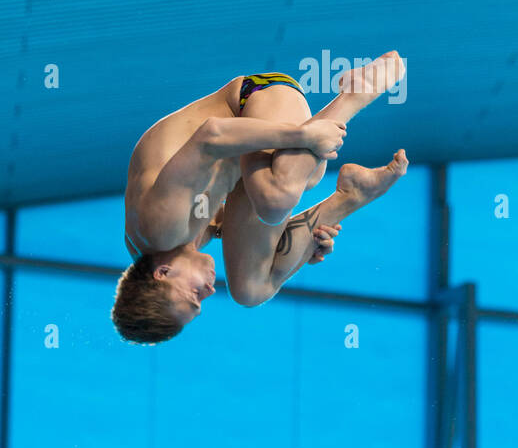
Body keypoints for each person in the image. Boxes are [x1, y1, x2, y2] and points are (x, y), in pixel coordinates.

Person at [112, 52, 407, 343]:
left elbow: (210, 136)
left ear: (162, 273)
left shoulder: (160, 225)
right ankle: (350, 195)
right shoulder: (170, 247)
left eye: (195, 294)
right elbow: (241, 222)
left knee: (275, 198)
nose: (210, 291)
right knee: (250, 291)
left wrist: (303, 138)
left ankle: (356, 93)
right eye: (202, 301)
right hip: (246, 158)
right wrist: (304, 247)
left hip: (254, 99)